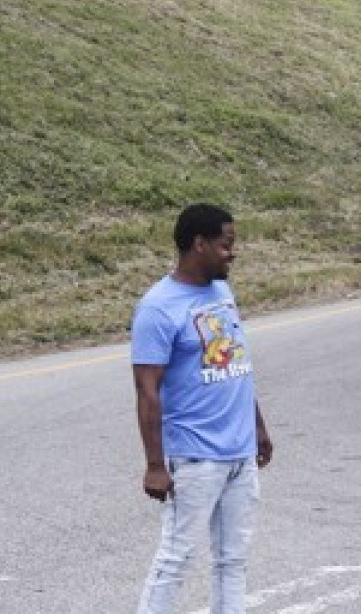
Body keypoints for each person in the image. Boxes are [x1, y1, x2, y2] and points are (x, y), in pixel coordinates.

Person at [131, 203, 274, 614]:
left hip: (239, 454)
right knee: (175, 560)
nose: (233, 253)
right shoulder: (158, 307)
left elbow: (236, 366)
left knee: (233, 561)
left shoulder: (221, 292)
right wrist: (155, 464)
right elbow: (147, 391)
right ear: (199, 244)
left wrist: (258, 426)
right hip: (193, 458)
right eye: (227, 244)